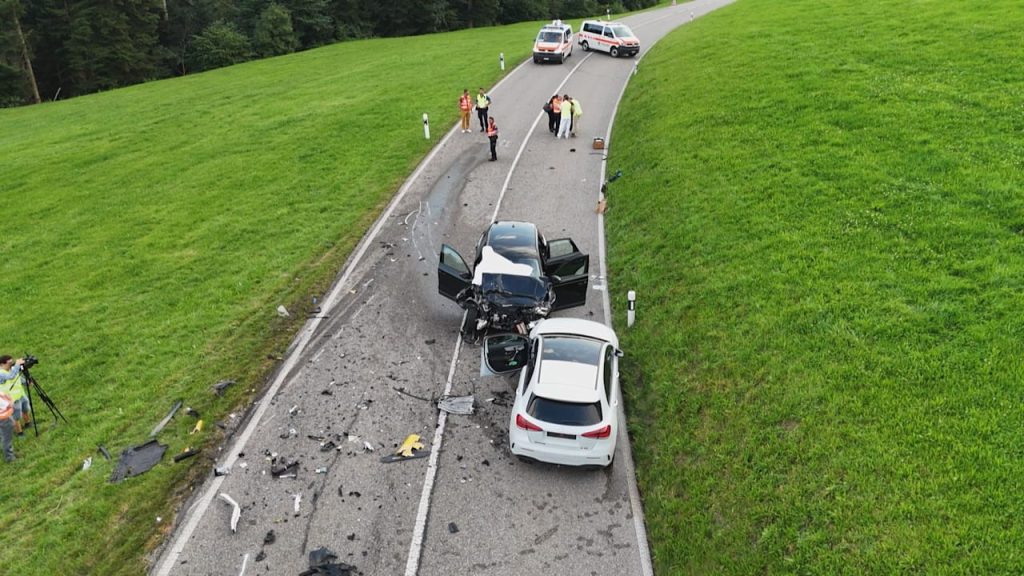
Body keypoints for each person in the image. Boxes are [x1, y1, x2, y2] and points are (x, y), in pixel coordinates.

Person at [0, 356, 30, 435]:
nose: (11, 364)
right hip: (11, 399)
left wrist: (26, 382)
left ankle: (28, 423)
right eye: (9, 363)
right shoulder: (1, 373)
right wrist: (17, 365)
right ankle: (19, 432)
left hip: (21, 394)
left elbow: (18, 377)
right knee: (16, 416)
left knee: (25, 409)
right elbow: (10, 377)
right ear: (2, 364)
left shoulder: (13, 369)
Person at [0, 391, 15, 462]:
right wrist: (11, 400)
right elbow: (8, 405)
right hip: (4, 417)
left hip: (3, 417)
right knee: (6, 439)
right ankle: (9, 457)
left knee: (3, 436)